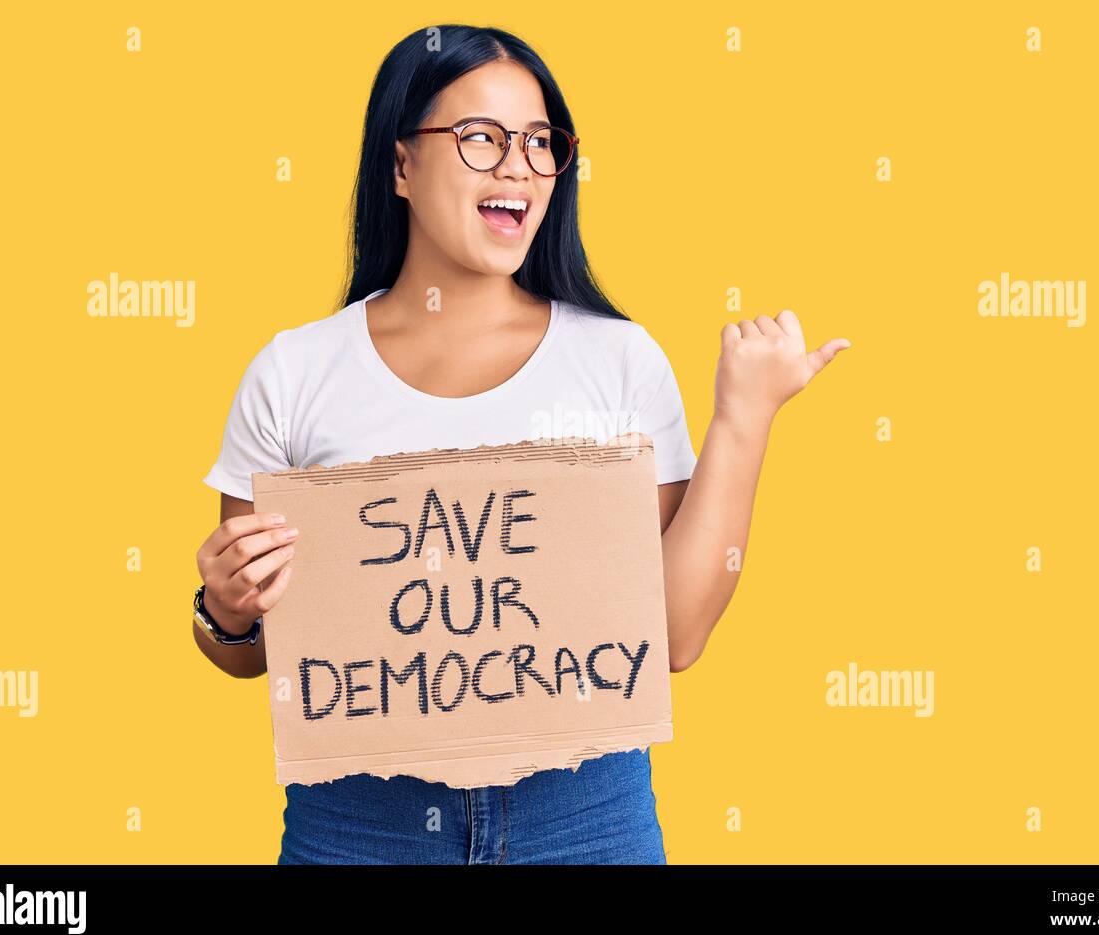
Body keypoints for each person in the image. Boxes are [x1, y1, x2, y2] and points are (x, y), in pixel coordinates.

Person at [194, 23, 850, 865]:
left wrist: (745, 419)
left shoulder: (617, 360)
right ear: (401, 166)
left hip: (584, 819)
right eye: (481, 138)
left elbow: (676, 638)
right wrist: (225, 610)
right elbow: (244, 656)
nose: (519, 165)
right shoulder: (294, 373)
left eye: (542, 143)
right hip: (360, 827)